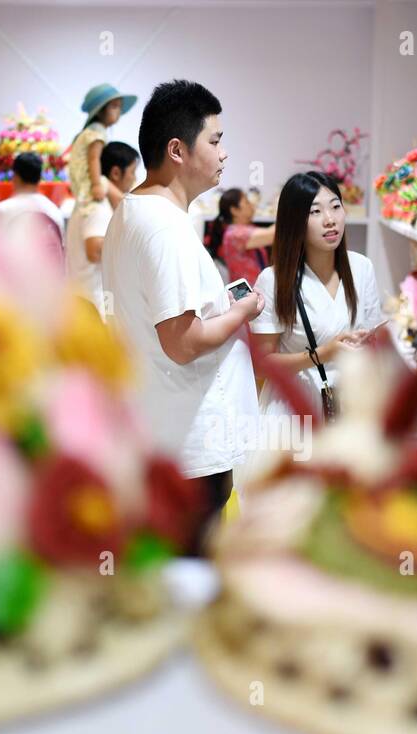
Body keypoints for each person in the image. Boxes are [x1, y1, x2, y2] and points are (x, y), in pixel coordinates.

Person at [102, 79, 263, 541]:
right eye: (215, 140)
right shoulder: (164, 227)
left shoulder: (134, 211)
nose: (224, 153)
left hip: (166, 434)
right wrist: (245, 310)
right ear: (178, 149)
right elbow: (183, 342)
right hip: (189, 444)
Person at [249, 170, 382, 421]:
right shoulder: (274, 279)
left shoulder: (361, 268)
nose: (330, 220)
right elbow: (261, 364)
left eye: (335, 206)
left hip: (351, 403)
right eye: (315, 211)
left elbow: (373, 337)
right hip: (293, 407)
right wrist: (321, 355)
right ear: (295, 220)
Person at [66, 141, 139, 316]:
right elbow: (95, 250)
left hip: (90, 297)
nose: (134, 179)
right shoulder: (98, 205)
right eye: (132, 172)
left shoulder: (98, 200)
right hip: (92, 301)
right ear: (115, 173)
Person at [70, 83, 137, 216]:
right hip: (89, 178)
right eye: (114, 106)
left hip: (85, 178)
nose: (118, 111)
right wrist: (96, 184)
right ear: (100, 111)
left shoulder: (94, 129)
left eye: (119, 107)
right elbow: (93, 159)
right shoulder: (97, 131)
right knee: (119, 199)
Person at [0, 151, 65, 267]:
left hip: (10, 281)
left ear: (15, 176)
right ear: (40, 177)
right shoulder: (53, 210)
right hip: (47, 281)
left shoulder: (2, 210)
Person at [204, 187, 275, 286]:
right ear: (234, 210)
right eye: (246, 202)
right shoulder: (235, 234)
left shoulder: (242, 230)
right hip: (248, 295)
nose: (252, 204)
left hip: (255, 292)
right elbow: (272, 235)